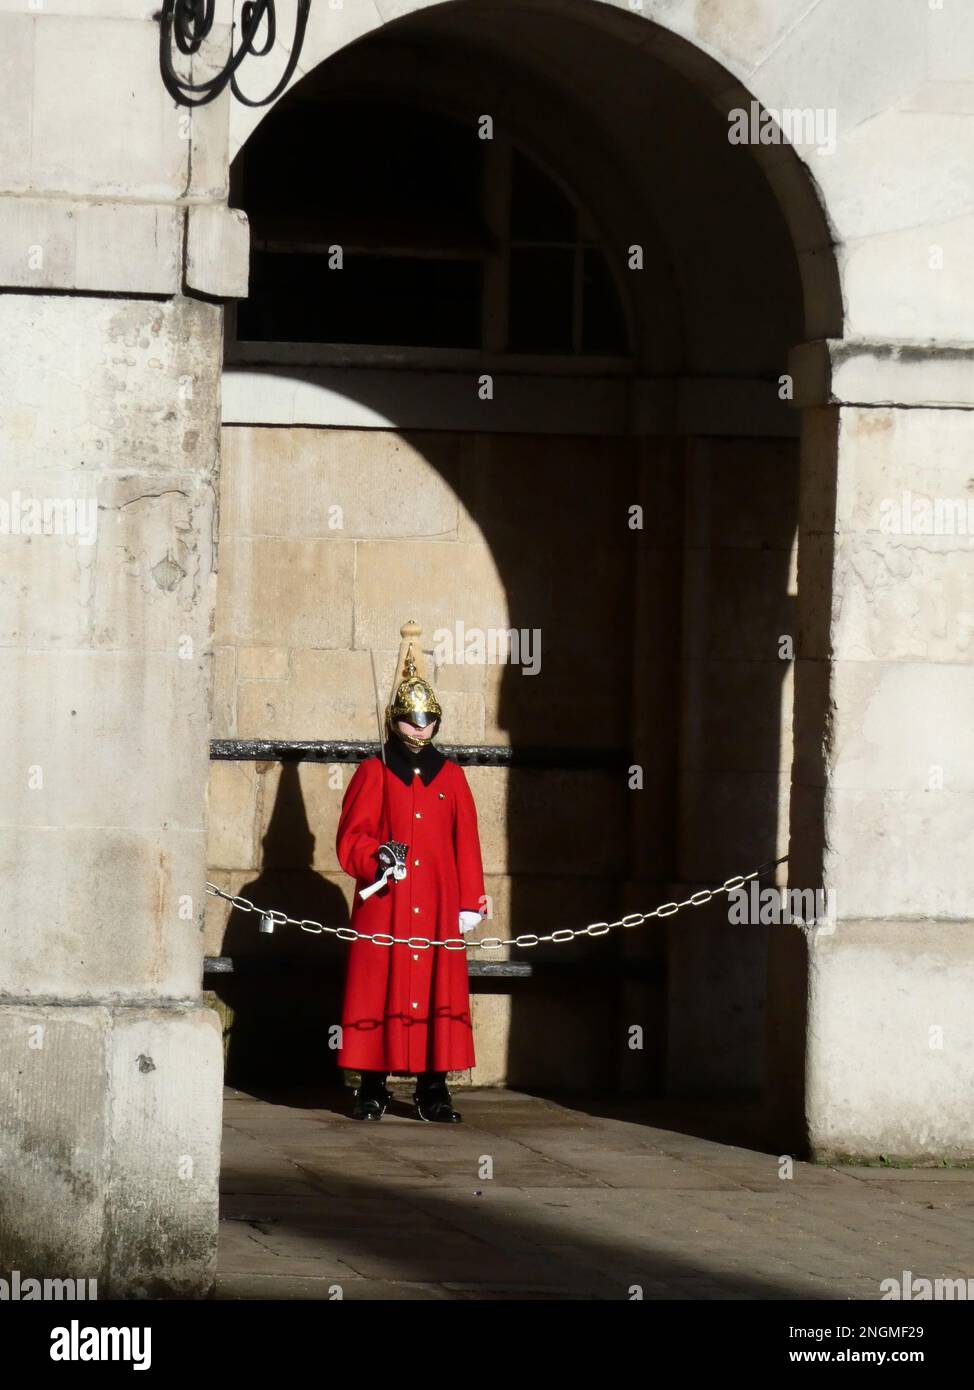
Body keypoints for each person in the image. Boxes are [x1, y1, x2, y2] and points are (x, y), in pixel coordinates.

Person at [335, 621, 486, 1122]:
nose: (419, 731)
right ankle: (372, 1086)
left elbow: (466, 843)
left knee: (436, 993)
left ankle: (433, 1087)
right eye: (410, 722)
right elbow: (351, 839)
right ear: (394, 721)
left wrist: (470, 900)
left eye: (426, 722)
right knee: (380, 992)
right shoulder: (373, 772)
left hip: (439, 906)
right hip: (387, 904)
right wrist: (376, 856)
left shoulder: (453, 777)